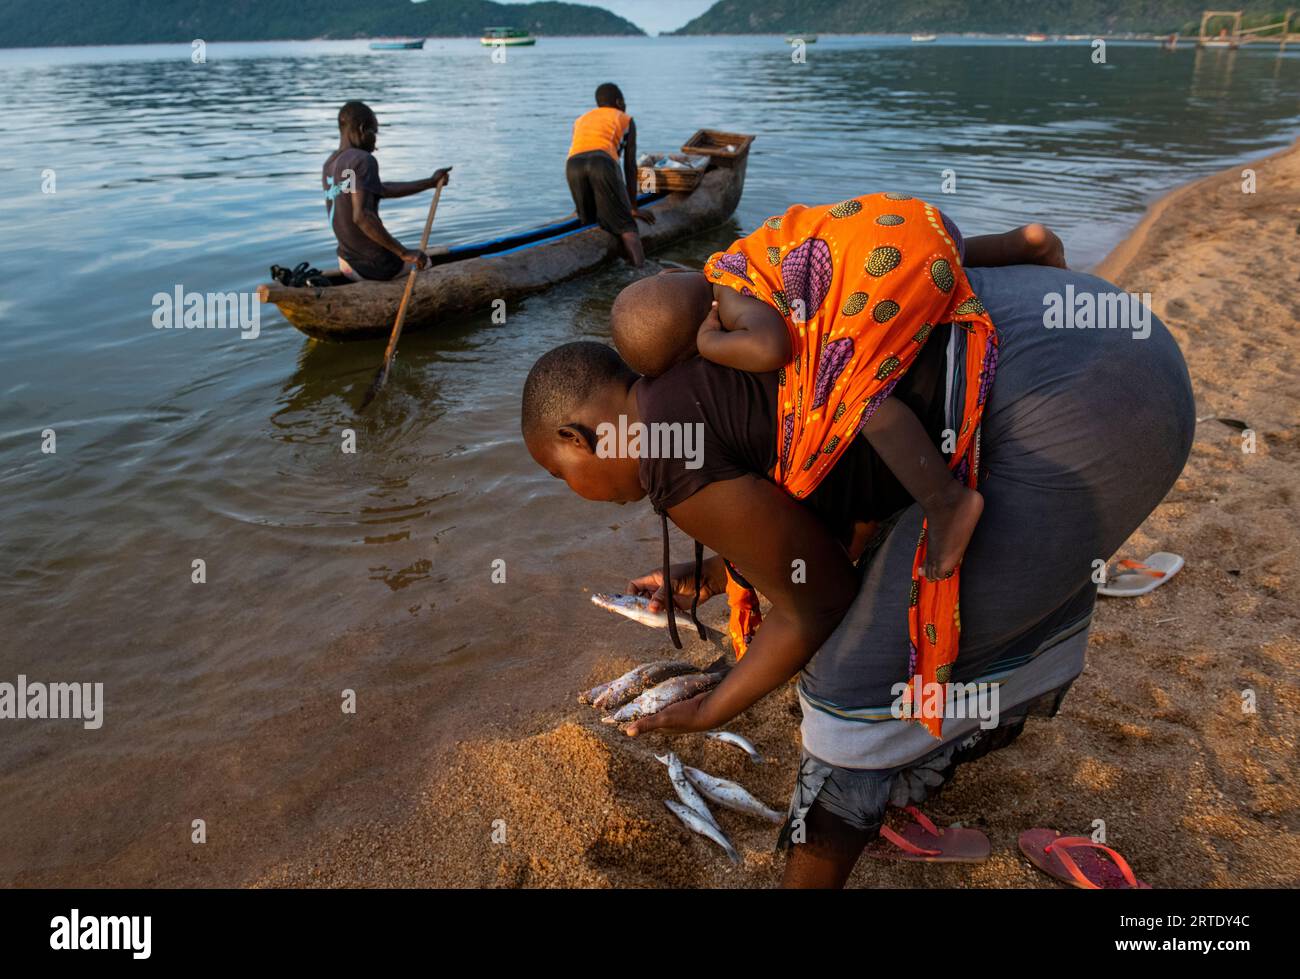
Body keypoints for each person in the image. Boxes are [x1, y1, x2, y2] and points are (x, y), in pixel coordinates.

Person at [521, 215, 1194, 887]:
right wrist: (709, 575)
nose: (575, 490)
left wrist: (713, 705)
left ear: (578, 435)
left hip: (1087, 404)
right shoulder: (709, 351)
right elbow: (813, 537)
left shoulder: (666, 450)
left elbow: (817, 604)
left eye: (559, 473)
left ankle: (845, 827)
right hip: (1096, 333)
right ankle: (892, 790)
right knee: (892, 593)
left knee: (846, 683)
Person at [610, 202, 1066, 579]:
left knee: (857, 395)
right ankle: (1025, 245)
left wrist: (713, 343)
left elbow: (770, 347)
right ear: (672, 274)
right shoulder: (740, 257)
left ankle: (947, 502)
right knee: (929, 264)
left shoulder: (730, 297)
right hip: (912, 227)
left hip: (889, 260)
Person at [322, 100, 452, 282]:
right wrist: (404, 253)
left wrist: (430, 182)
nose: (375, 141)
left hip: (346, 263)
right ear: (362, 129)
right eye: (374, 132)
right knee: (425, 261)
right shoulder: (362, 159)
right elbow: (362, 217)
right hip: (375, 266)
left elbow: (382, 189)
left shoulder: (330, 165)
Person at [566, 83, 655, 267]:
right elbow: (630, 165)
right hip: (602, 161)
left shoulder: (581, 119)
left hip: (573, 165)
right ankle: (641, 273)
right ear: (619, 102)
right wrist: (633, 208)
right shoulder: (625, 118)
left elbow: (580, 150)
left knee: (588, 220)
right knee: (627, 227)